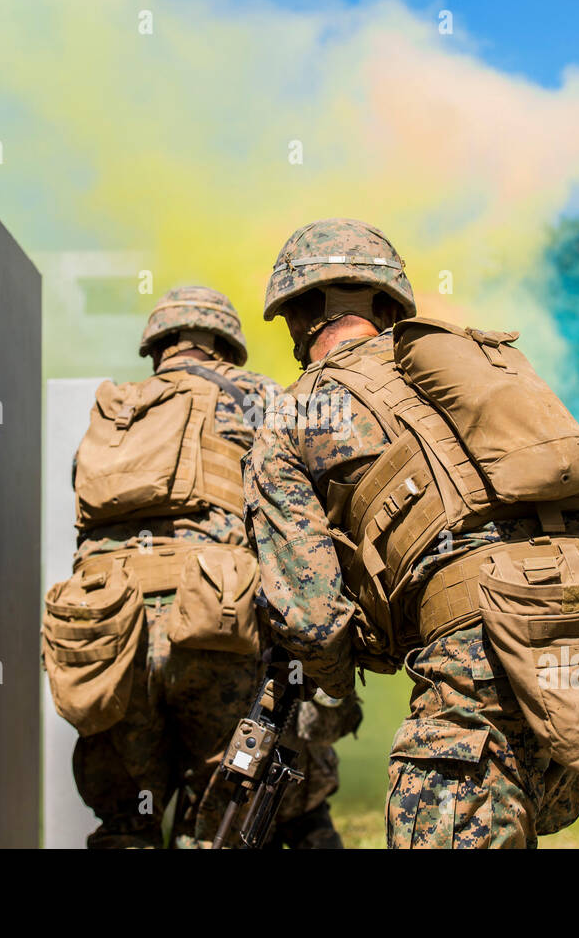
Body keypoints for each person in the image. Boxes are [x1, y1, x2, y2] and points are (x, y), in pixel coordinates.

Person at [244, 219, 579, 848]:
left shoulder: (293, 415)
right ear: (386, 305)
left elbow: (313, 620)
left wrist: (342, 676)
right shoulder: (475, 366)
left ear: (300, 314)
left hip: (477, 658)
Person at [51, 285, 350, 848]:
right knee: (251, 807)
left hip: (110, 635)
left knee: (125, 823)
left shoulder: (115, 412)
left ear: (157, 345)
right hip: (216, 626)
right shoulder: (256, 395)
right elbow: (305, 506)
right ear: (224, 343)